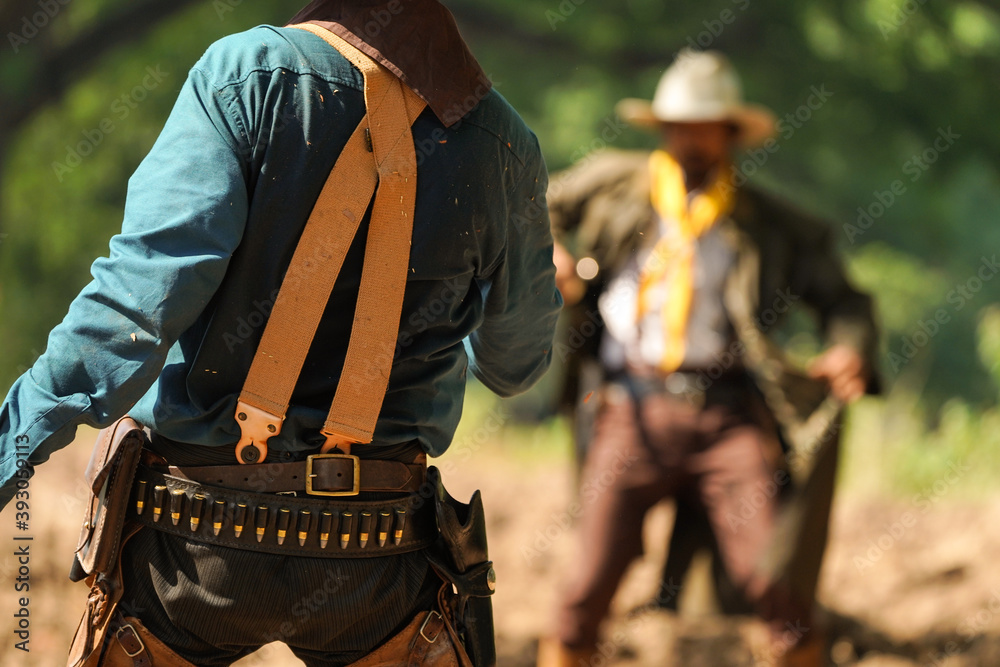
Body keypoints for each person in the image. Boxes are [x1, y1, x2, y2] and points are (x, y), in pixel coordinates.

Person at [0, 1, 561, 665]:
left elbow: (137, 304)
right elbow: (514, 363)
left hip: (193, 542)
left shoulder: (245, 74)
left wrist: (12, 444)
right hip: (379, 551)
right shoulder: (506, 142)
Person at [539, 50, 879, 667]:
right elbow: (535, 207)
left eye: (702, 124)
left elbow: (845, 299)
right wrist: (552, 253)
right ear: (661, 127)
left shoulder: (766, 222)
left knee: (773, 579)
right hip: (630, 411)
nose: (688, 136)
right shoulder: (617, 182)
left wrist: (849, 350)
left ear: (728, 132)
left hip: (729, 417)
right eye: (677, 123)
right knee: (586, 585)